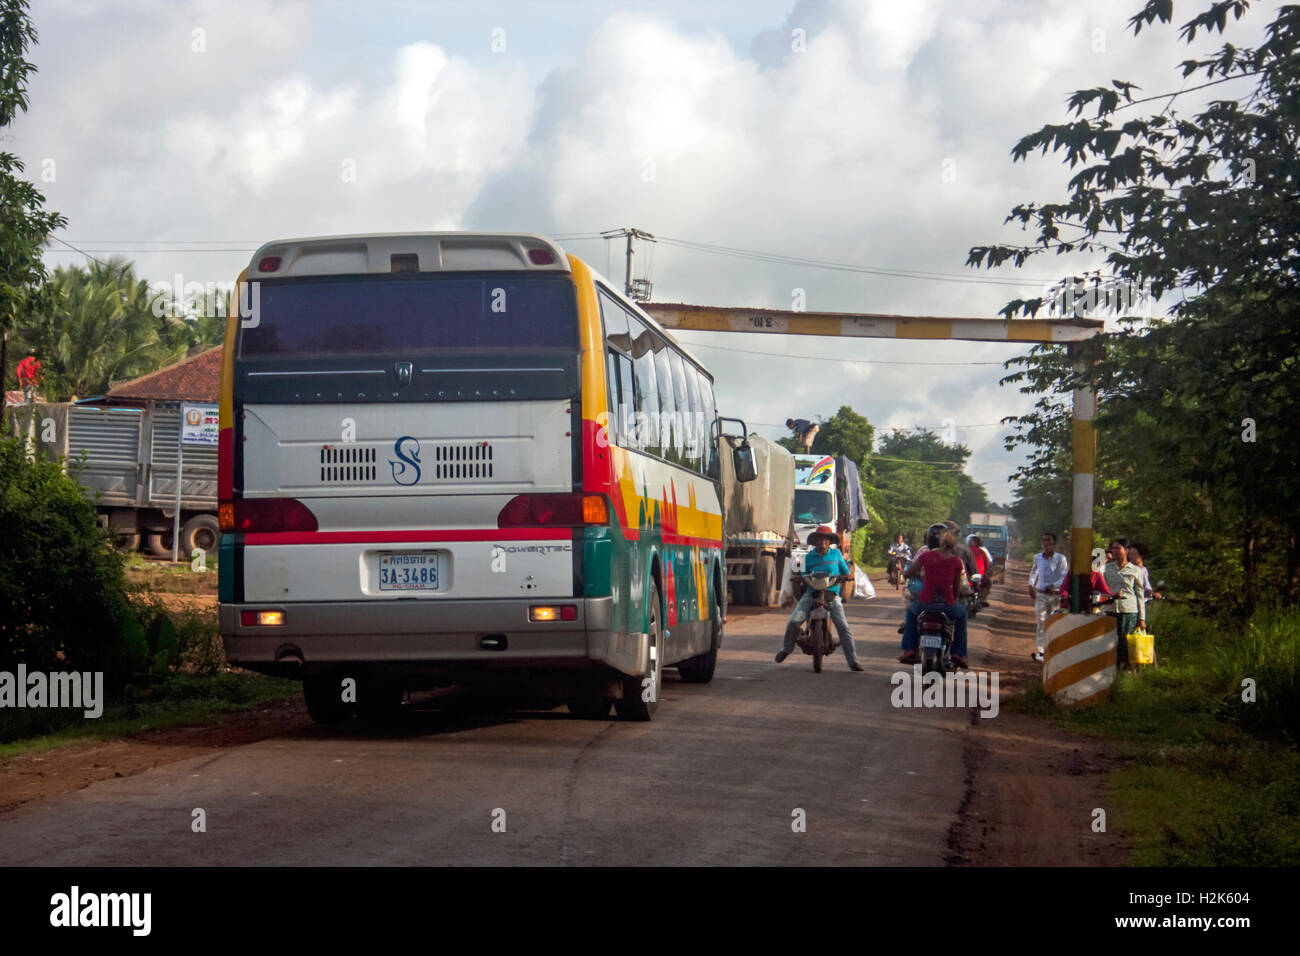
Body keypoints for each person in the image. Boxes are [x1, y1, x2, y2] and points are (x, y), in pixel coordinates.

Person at [776, 525, 863, 671]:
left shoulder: (836, 555)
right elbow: (803, 573)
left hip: (832, 595)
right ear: (815, 541)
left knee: (844, 628)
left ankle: (853, 661)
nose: (822, 542)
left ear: (829, 542)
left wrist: (847, 576)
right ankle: (786, 649)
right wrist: (798, 577)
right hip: (811, 594)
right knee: (793, 622)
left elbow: (846, 571)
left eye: (825, 540)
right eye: (819, 539)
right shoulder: (808, 557)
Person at [897, 527, 970, 668]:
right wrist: (954, 600)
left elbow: (908, 573)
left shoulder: (926, 556)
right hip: (947, 605)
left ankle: (909, 650)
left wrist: (909, 576)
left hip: (925, 603)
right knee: (962, 615)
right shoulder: (956, 562)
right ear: (954, 545)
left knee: (911, 613)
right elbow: (956, 587)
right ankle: (958, 653)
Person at [1103, 539, 1146, 670]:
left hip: (1129, 611)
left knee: (1125, 642)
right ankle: (1112, 669)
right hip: (1110, 609)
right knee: (1110, 641)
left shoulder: (1135, 570)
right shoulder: (1107, 568)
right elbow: (1097, 582)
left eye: (1118, 548)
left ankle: (1125, 669)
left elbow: (1140, 595)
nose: (1114, 551)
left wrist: (1142, 618)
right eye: (1113, 549)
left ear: (1126, 551)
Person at [1027, 532, 1068, 662]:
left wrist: (1053, 585)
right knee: (1041, 621)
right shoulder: (1038, 557)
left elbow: (1064, 577)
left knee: (1053, 622)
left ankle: (1053, 649)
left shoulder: (1061, 559)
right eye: (1044, 541)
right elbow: (1034, 572)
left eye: (1049, 541)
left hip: (1055, 595)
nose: (1046, 544)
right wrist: (1030, 585)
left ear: (1054, 544)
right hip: (1041, 595)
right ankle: (1041, 652)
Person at [968, 535, 993, 607]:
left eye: (970, 541)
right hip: (979, 575)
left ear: (975, 542)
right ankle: (982, 599)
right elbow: (987, 565)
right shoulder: (982, 552)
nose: (969, 542)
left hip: (968, 574)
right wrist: (985, 573)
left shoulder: (966, 550)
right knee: (988, 582)